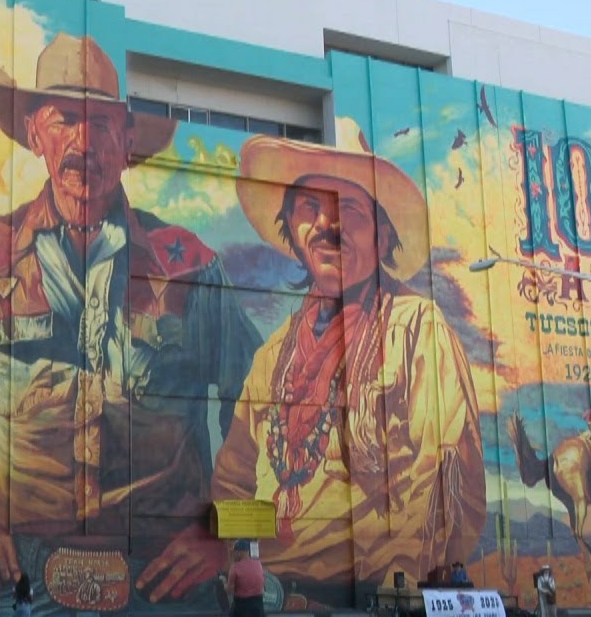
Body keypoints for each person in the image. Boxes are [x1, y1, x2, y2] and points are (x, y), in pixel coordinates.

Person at [0, 33, 261, 615]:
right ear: (34, 134)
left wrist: (222, 534)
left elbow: (269, 414)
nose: (83, 143)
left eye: (101, 125)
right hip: (20, 584)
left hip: (165, 587)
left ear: (126, 142)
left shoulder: (190, 267)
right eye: (63, 121)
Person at [205, 120, 486, 607]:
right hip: (271, 597)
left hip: (370, 597)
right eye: (310, 207)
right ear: (292, 231)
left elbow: (440, 476)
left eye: (349, 209)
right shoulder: (273, 354)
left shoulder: (416, 328)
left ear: (383, 235)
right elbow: (232, 479)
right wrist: (236, 561)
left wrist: (395, 587)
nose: (327, 223)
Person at [227, 540, 266, 617]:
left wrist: (224, 582)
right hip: (258, 606)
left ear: (240, 552)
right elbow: (263, 582)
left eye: (235, 552)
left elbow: (230, 590)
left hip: (241, 606)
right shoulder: (258, 564)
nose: (234, 555)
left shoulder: (235, 567)